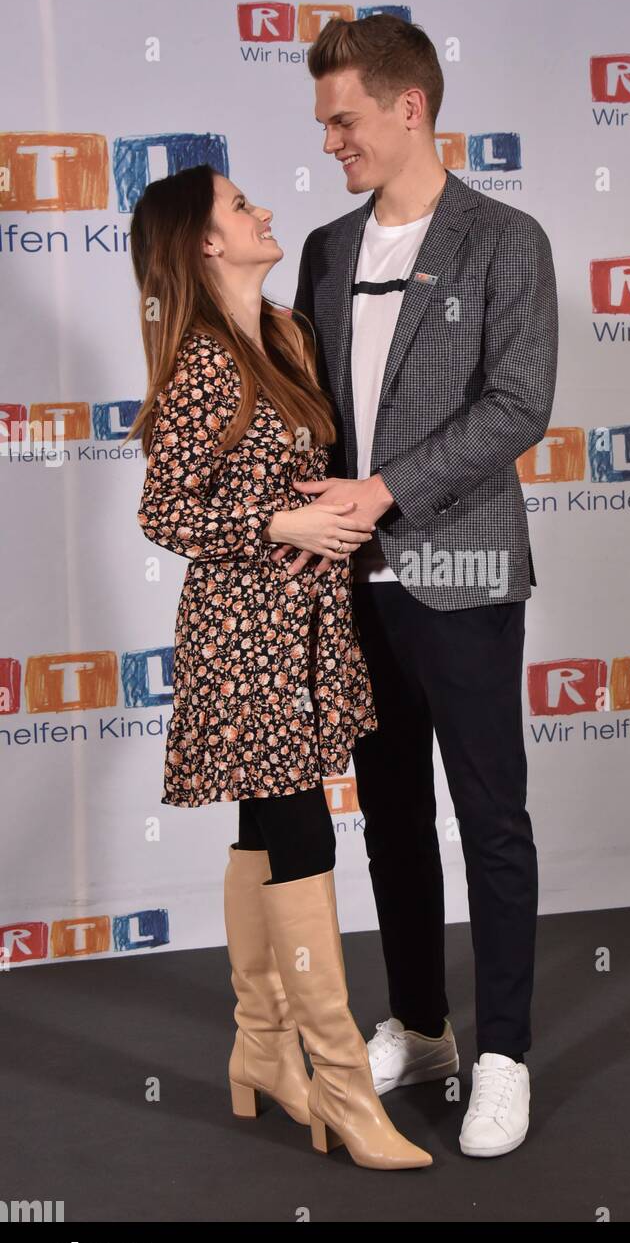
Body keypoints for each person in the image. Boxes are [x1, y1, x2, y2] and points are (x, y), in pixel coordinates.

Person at [126, 162, 432, 1170]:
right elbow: (163, 511)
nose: (262, 211)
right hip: (242, 629)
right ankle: (341, 1084)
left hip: (309, 619)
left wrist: (335, 506)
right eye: (238, 205)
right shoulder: (204, 360)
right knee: (303, 835)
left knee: (268, 820)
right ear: (205, 242)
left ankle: (261, 1046)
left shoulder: (290, 333)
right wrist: (279, 519)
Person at [291, 14, 558, 1157]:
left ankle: (504, 1055)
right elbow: (309, 402)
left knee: (489, 817)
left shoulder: (506, 239)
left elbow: (516, 407)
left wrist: (381, 489)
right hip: (357, 582)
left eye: (343, 119)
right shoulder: (324, 247)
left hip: (459, 563)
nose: (330, 142)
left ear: (409, 108)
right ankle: (425, 1025)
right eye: (323, 123)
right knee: (391, 814)